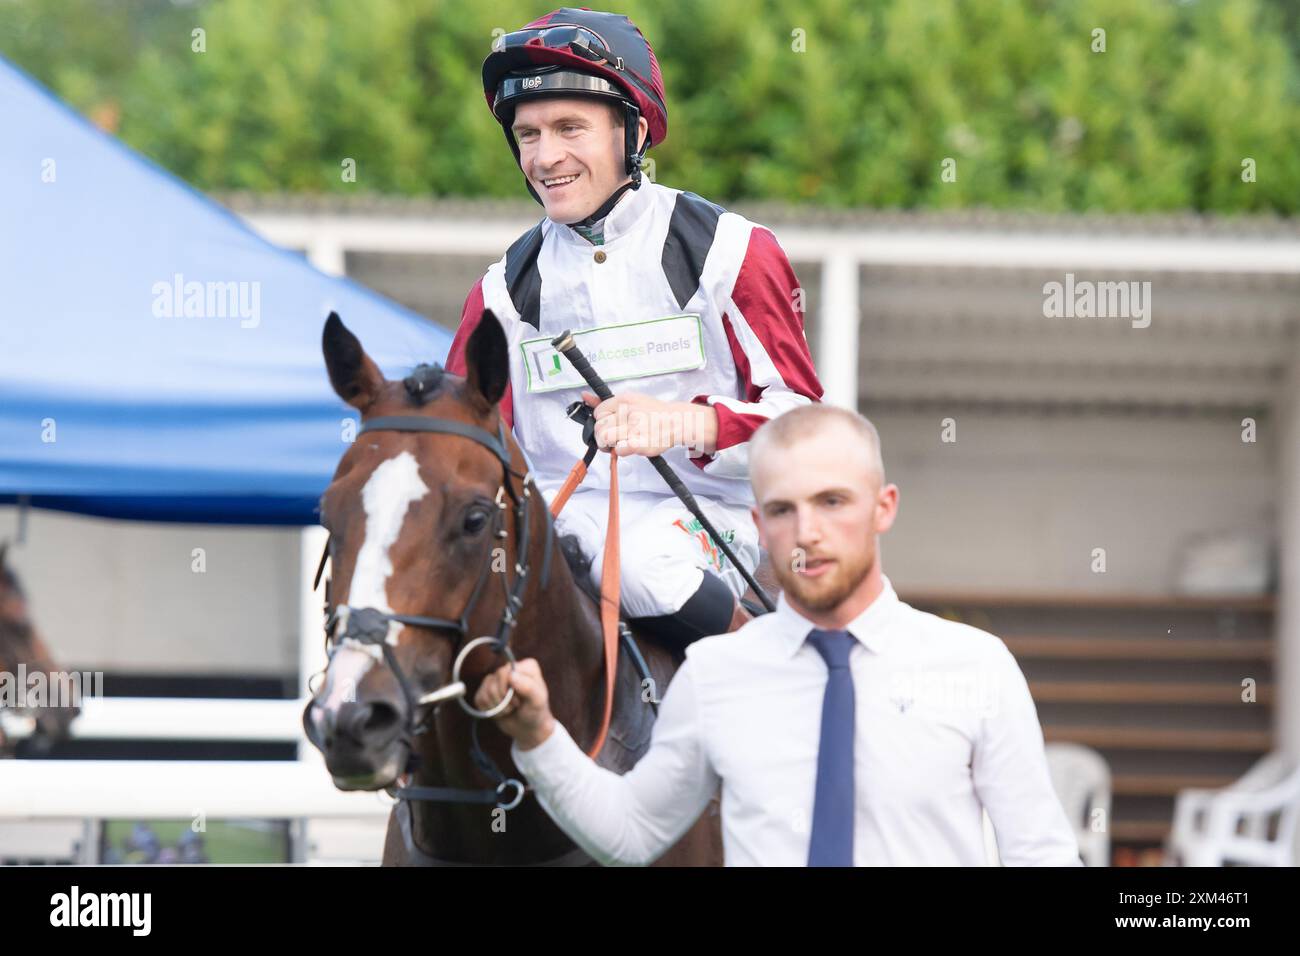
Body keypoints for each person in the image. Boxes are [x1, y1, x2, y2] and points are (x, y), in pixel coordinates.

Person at [474, 404, 1083, 866]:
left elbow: (1039, 853)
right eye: (785, 510)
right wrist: (538, 737)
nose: (809, 531)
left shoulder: (974, 666)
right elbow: (631, 834)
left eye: (833, 502)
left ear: (884, 508)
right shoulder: (716, 674)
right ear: (759, 526)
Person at [445, 8, 823, 648]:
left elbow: (808, 437)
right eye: (529, 134)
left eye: (571, 127)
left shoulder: (732, 252)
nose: (546, 156)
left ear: (634, 131)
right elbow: (466, 445)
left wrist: (683, 424)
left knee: (642, 570)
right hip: (560, 520)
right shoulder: (500, 292)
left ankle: (763, 669)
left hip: (709, 519)